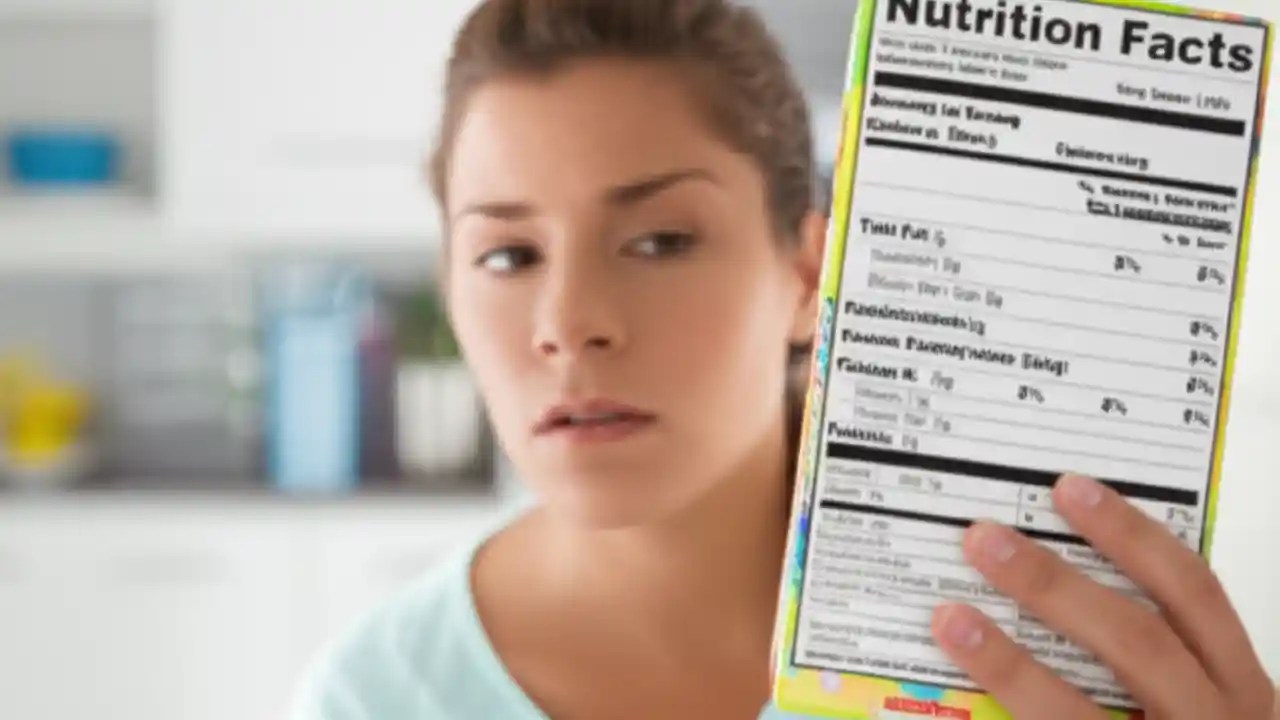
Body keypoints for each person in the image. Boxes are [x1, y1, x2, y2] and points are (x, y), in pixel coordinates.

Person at [291, 1, 1278, 718]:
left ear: (810, 273)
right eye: (508, 255)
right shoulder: (373, 697)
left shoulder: (1042, 650)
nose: (569, 323)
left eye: (658, 241)